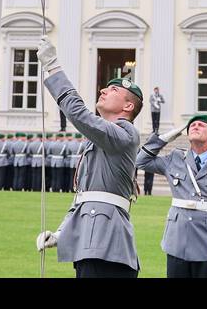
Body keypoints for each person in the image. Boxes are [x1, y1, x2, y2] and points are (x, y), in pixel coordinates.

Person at [33, 38, 141, 279]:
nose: (103, 90)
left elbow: (79, 115)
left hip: (108, 245)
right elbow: (84, 198)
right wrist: (61, 233)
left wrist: (53, 67)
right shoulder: (97, 141)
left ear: (128, 106)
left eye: (113, 90)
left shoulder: (125, 133)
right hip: (90, 243)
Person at [136, 113, 207, 278]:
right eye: (192, 125)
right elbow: (141, 161)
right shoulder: (175, 158)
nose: (195, 126)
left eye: (200, 125)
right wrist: (162, 139)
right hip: (177, 241)